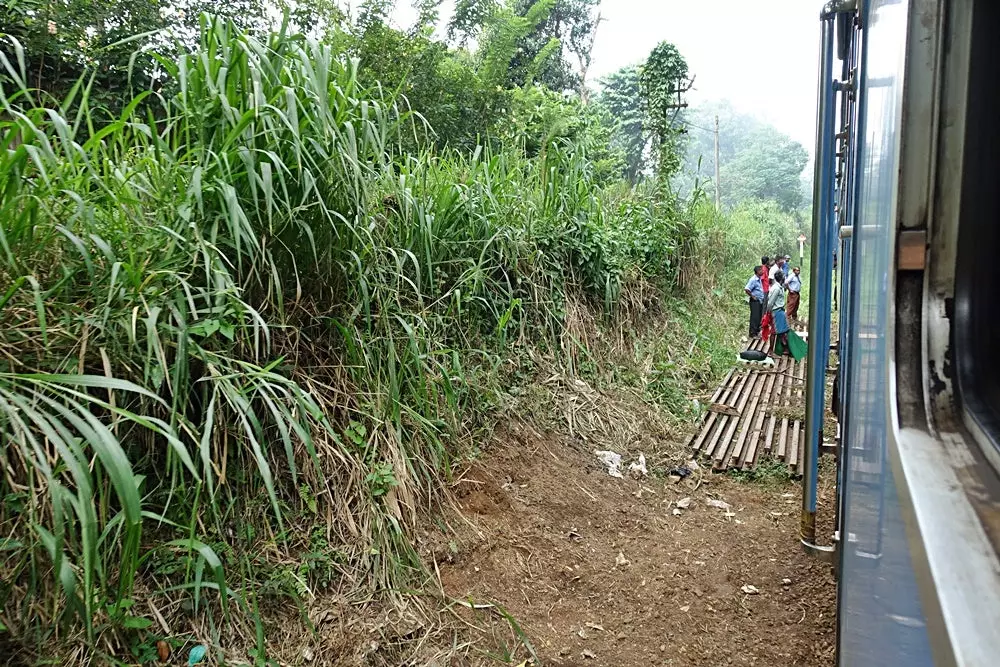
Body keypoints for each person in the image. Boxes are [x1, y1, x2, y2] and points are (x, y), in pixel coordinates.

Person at [767, 270, 791, 357]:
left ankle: (785, 348)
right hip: (776, 311)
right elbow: (770, 302)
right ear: (781, 278)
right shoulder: (776, 289)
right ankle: (770, 351)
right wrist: (768, 313)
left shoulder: (779, 287)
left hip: (780, 311)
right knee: (774, 331)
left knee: (783, 331)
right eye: (784, 276)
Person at [745, 265, 765, 338]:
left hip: (759, 301)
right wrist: (753, 296)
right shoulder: (753, 279)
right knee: (755, 317)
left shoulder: (759, 279)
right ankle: (752, 333)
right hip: (755, 302)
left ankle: (756, 332)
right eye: (761, 270)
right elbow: (747, 289)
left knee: (759, 317)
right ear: (757, 271)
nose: (762, 271)